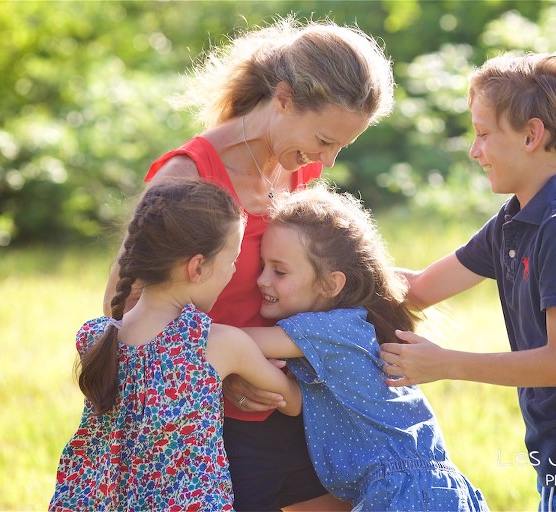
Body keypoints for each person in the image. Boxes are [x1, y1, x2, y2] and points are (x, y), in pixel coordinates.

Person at [102, 16, 394, 511]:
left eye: (343, 145)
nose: (328, 158)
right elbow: (124, 307)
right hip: (214, 429)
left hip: (302, 404)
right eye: (324, 139)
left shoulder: (297, 166)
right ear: (282, 99)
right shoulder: (188, 176)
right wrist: (228, 369)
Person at [379, 52, 556, 511]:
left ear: (532, 135)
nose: (474, 151)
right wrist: (327, 275)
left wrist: (445, 363)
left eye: (483, 134)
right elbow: (417, 290)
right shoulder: (513, 223)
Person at [51, 179, 301, 510]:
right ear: (197, 267)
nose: (234, 271)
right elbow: (292, 400)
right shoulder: (216, 344)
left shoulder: (94, 336)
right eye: (232, 260)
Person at [241, 185, 488, 511]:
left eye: (279, 271)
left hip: (405, 493)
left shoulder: (331, 327)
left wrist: (168, 316)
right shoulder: (350, 331)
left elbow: (237, 342)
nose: (261, 280)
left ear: (331, 284)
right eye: (262, 266)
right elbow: (298, 402)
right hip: (433, 491)